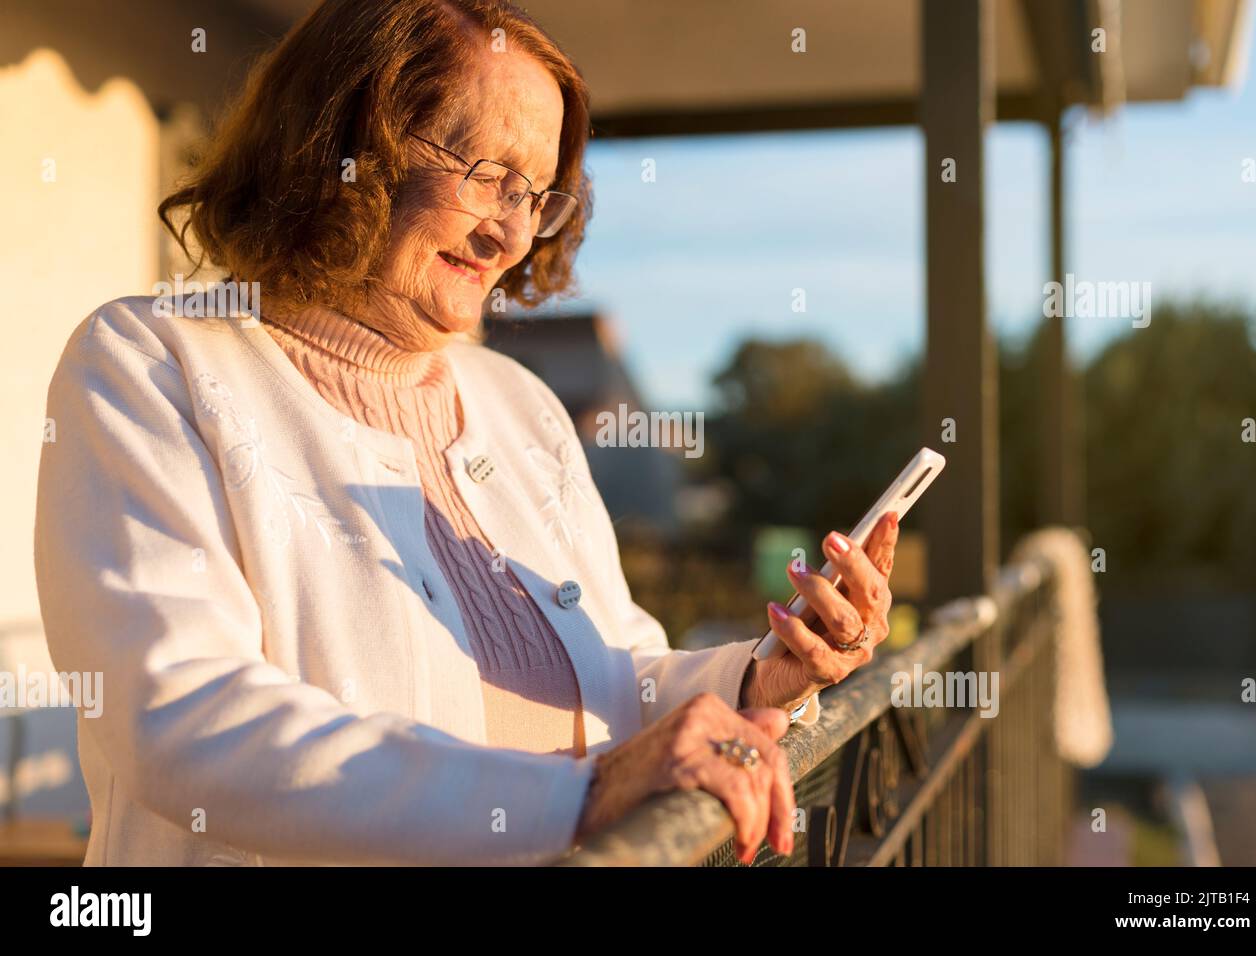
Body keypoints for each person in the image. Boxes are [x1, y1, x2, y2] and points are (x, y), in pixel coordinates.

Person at [33, 0, 897, 866]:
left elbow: (617, 673)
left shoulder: (519, 403)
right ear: (349, 152)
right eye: (488, 176)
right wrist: (578, 797)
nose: (513, 232)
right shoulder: (149, 363)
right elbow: (182, 718)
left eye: (538, 196)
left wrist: (762, 677)